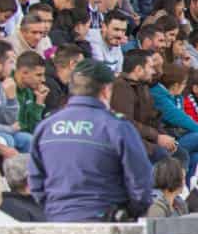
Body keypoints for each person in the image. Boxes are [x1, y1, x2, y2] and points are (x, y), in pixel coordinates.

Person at [27, 59, 154, 222]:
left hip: (57, 219)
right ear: (106, 90)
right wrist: (132, 212)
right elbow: (140, 181)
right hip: (104, 221)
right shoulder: (116, 127)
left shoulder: (46, 126)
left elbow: (36, 180)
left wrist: (55, 209)